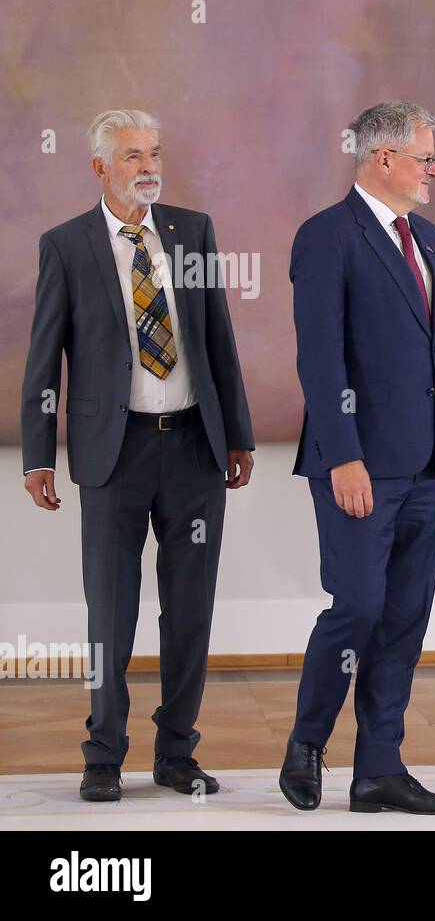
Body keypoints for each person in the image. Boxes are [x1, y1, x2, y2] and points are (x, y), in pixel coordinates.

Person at [20, 109, 255, 802]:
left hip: (192, 449)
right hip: (111, 456)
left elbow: (219, 342)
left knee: (190, 610)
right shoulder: (66, 245)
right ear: (99, 167)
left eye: (153, 153)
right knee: (111, 611)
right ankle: (104, 755)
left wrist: (236, 434)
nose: (148, 167)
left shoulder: (194, 231)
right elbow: (43, 362)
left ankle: (177, 754)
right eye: (131, 156)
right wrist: (38, 455)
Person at [281, 101, 435, 815]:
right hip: (359, 463)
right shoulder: (327, 236)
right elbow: (320, 355)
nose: (434, 170)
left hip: (427, 465)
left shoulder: (428, 238)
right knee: (359, 606)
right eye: (425, 158)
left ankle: (379, 769)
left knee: (403, 616)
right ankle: (307, 745)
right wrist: (343, 456)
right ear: (382, 159)